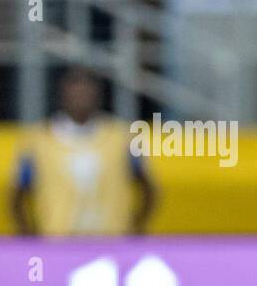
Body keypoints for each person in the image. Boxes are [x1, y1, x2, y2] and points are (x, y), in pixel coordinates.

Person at [11, 68, 155, 236]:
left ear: (98, 95)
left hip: (111, 240)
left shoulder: (121, 137)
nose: (81, 98)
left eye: (87, 92)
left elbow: (147, 187)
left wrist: (136, 226)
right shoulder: (39, 140)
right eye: (75, 92)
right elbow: (18, 194)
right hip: (58, 241)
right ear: (62, 95)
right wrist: (28, 233)